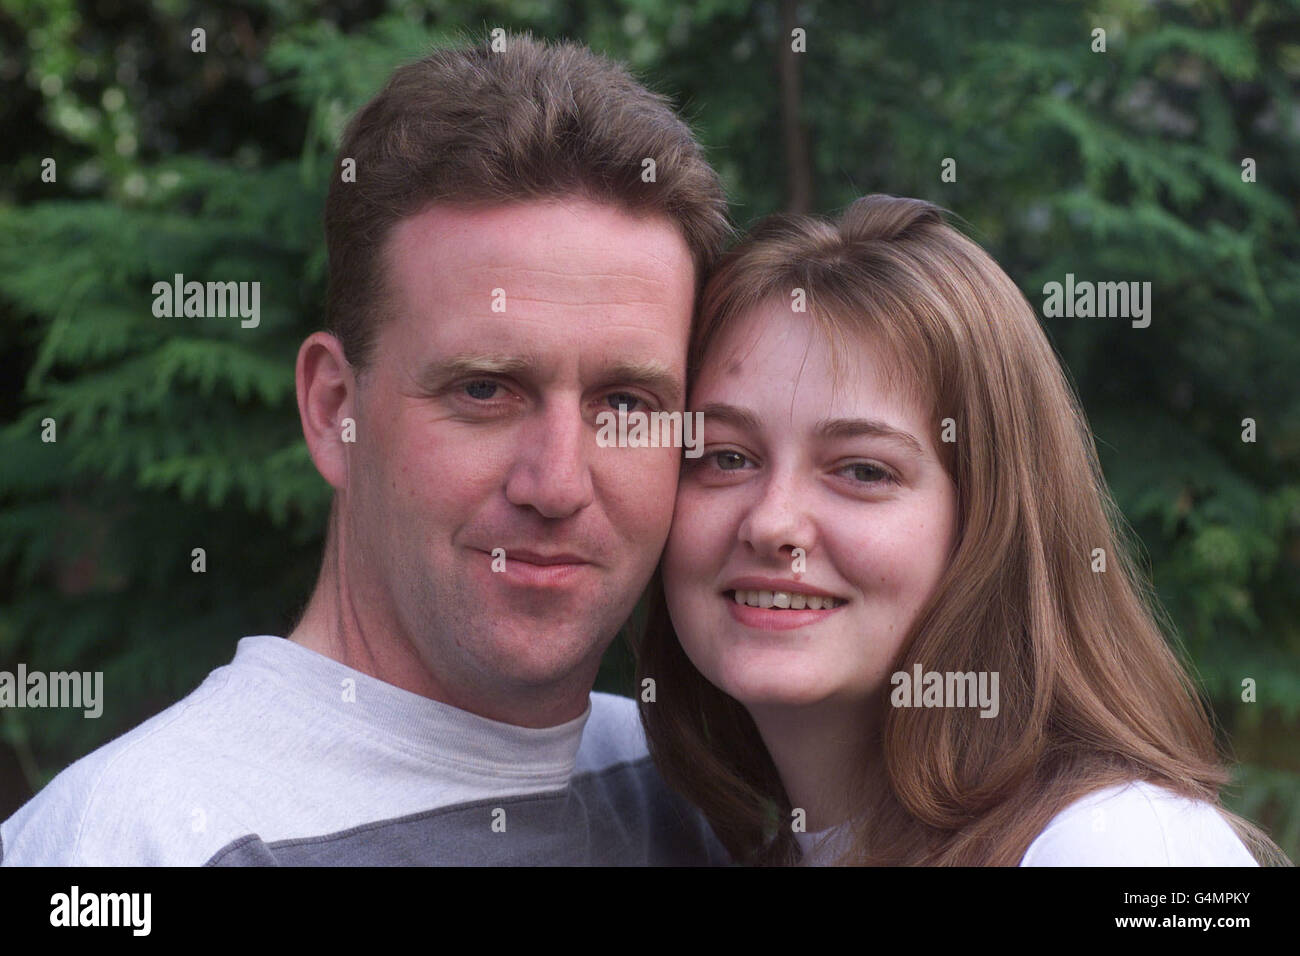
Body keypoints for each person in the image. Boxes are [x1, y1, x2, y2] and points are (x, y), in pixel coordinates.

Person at [1, 33, 732, 866]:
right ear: (332, 411)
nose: (557, 482)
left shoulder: (689, 786)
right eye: (485, 390)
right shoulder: (139, 843)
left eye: (627, 403)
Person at [635, 194, 1288, 866]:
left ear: (992, 518)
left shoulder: (1121, 845)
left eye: (862, 470)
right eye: (726, 457)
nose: (771, 522)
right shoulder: (733, 843)